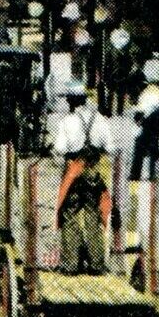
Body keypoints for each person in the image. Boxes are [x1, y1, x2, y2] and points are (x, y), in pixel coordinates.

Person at [53, 82, 113, 275]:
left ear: (71, 101)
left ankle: (71, 265)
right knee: (92, 215)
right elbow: (110, 147)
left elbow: (60, 149)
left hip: (73, 173)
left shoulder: (67, 122)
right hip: (94, 173)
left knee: (70, 215)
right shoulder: (101, 120)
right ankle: (96, 265)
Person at [129, 83, 159, 181]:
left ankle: (135, 174)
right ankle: (153, 174)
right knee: (154, 145)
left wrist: (138, 122)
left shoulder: (144, 94)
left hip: (149, 120)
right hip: (158, 118)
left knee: (139, 147)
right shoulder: (158, 90)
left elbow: (139, 113)